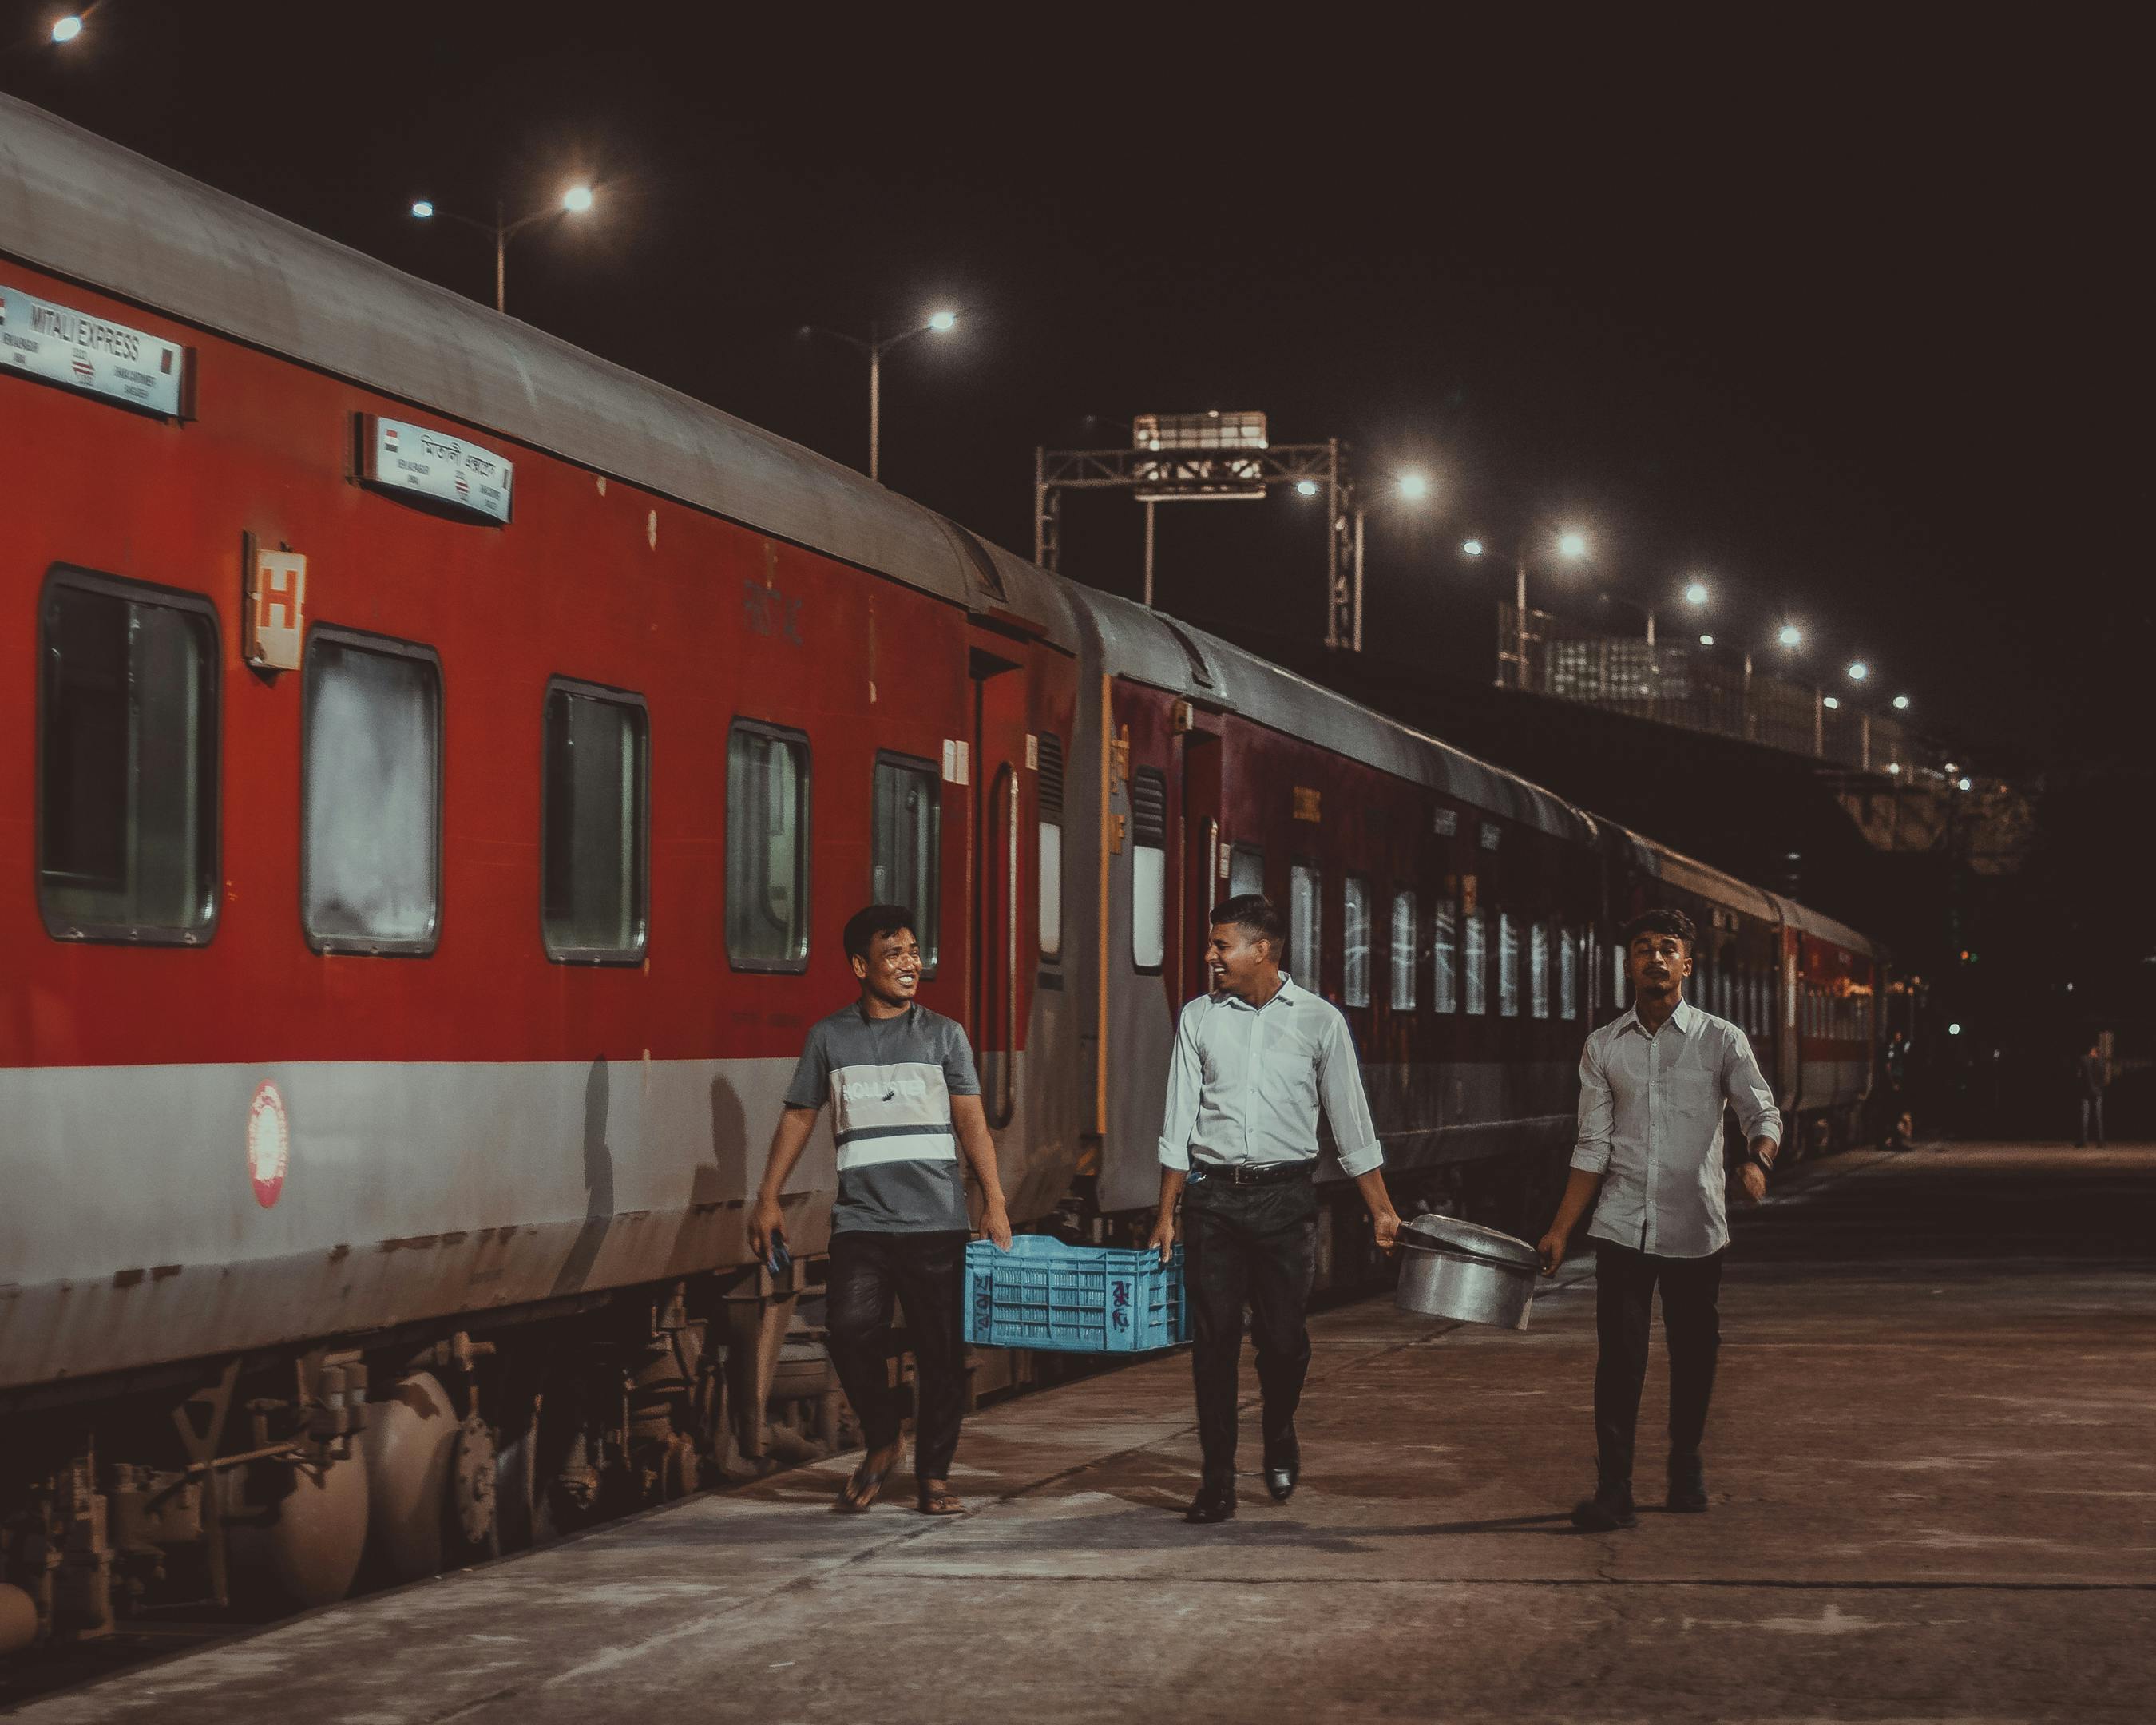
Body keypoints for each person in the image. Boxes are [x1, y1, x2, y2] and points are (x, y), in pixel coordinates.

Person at [748, 905, 1013, 1516]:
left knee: (941, 1355)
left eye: (915, 952)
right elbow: (799, 1114)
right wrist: (767, 1197)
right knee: (847, 1330)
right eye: (894, 954)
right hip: (862, 1222)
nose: (910, 964)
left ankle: (934, 1478)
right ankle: (885, 1436)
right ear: (861, 966)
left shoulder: (945, 1035)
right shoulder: (829, 1038)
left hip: (936, 1222)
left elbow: (971, 1118)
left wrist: (993, 1199)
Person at [1149, 894, 1402, 1525]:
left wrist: (1381, 1211)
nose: (1209, 957)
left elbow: (1351, 1123)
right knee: (1212, 1344)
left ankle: (1280, 1428)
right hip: (1213, 1199)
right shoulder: (1198, 1019)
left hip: (1288, 1200)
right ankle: (1216, 1481)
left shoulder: (1320, 1022)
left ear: (1261, 950)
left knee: (1285, 1343)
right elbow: (1178, 1120)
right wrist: (1166, 1212)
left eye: (1219, 945)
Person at [1536, 907, 1781, 1531]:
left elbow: (1763, 1113)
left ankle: (1686, 1461)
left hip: (1695, 1228)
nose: (1655, 958)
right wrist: (1561, 1230)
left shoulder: (1720, 1039)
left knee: (1694, 1352)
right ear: (1628, 964)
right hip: (1621, 1226)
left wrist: (1757, 1161)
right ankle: (1614, 1489)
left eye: (1667, 948)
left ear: (1687, 966)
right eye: (1643, 948)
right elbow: (1592, 1147)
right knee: (1619, 1359)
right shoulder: (1603, 1047)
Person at [2077, 1043, 2107, 1148]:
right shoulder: (2102, 1061)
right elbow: (2104, 1077)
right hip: (2098, 1092)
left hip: (2086, 1092)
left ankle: (2083, 1142)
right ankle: (2100, 1142)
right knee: (2098, 1117)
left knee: (2084, 1117)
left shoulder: (2083, 1059)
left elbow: (2079, 1075)